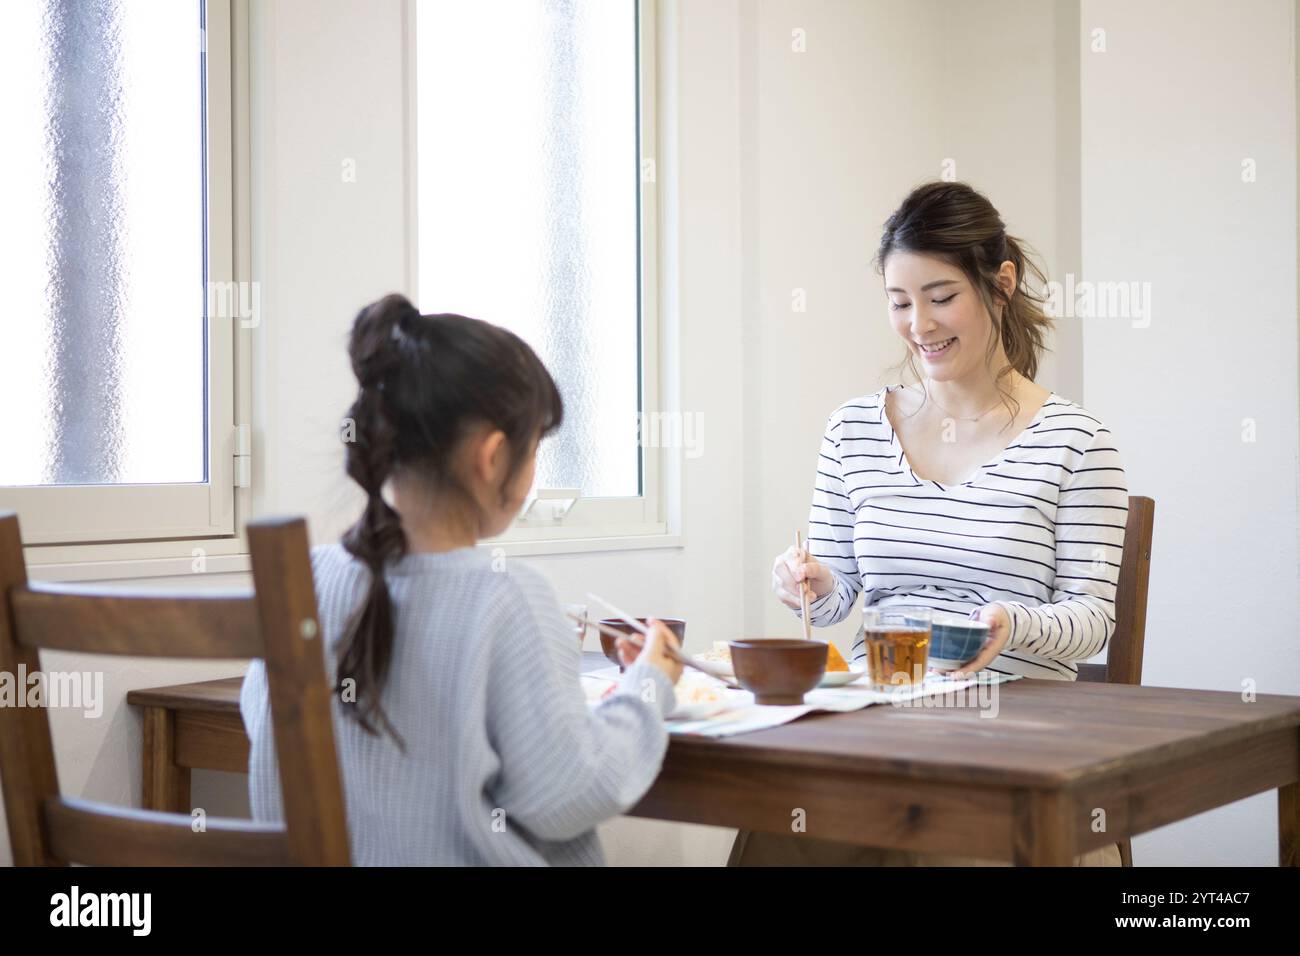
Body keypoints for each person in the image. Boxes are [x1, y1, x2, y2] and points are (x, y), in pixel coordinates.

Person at [732, 181, 1128, 866]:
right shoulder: (853, 428)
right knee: (777, 825)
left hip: (1016, 727)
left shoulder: (1077, 442)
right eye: (899, 302)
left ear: (1000, 285)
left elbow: (1093, 619)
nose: (920, 324)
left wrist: (1011, 623)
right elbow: (834, 603)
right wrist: (809, 582)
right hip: (875, 719)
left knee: (941, 841)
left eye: (941, 297)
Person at [240, 293, 683, 865]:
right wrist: (648, 684)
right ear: (493, 457)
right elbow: (572, 793)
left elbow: (266, 735)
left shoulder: (304, 584)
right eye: (534, 450)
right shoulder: (507, 597)